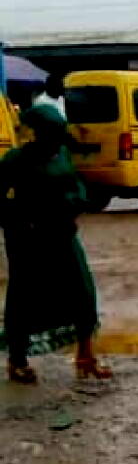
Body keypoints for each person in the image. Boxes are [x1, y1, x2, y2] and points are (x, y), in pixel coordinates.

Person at [0, 103, 109, 384]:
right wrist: (19, 221)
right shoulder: (16, 160)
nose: (56, 141)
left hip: (63, 235)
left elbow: (75, 183)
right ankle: (17, 360)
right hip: (31, 242)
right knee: (25, 298)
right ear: (38, 134)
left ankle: (86, 356)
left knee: (82, 291)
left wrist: (78, 200)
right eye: (52, 135)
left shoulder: (61, 155)